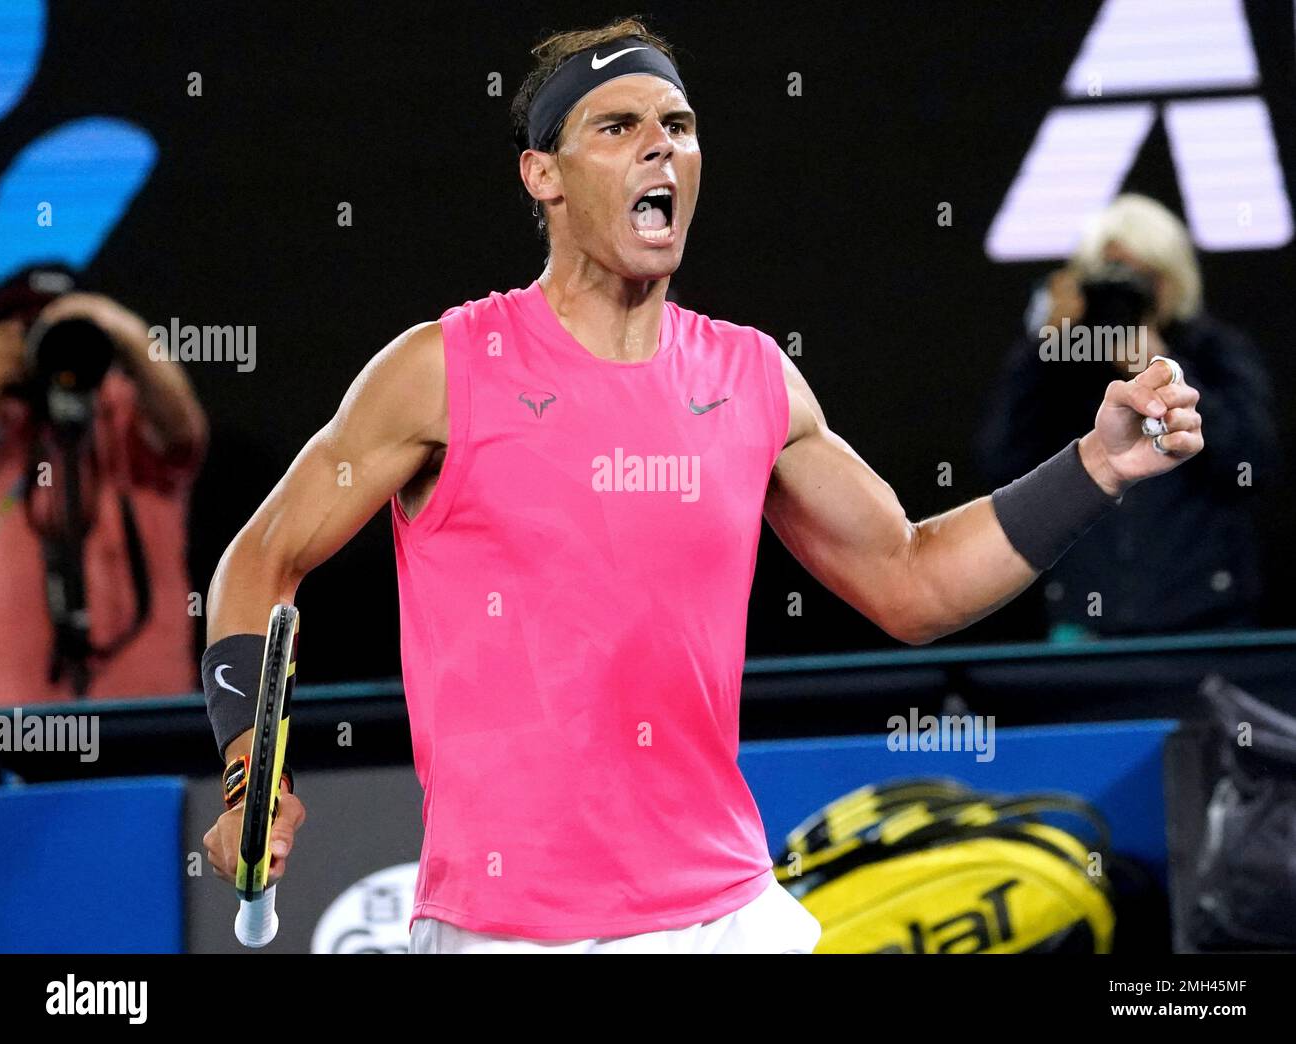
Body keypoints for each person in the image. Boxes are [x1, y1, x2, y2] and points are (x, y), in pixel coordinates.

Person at [200, 20, 1204, 954]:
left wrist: (1093, 467)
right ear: (540, 174)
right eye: (618, 125)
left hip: (726, 915)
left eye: (676, 125)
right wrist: (253, 765)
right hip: (507, 928)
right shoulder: (441, 371)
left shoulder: (754, 380)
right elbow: (264, 558)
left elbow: (913, 583)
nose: (659, 147)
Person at [976, 194, 1276, 639]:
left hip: (1207, 624)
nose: (1124, 292)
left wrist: (1164, 368)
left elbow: (1251, 468)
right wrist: (1046, 346)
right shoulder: (1061, 366)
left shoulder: (1214, 353)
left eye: (1141, 277)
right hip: (1084, 629)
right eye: (1110, 277)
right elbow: (1000, 469)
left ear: (1173, 279)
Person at [0, 265, 207, 702]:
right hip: (14, 724)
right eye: (25, 328)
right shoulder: (6, 428)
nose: (43, 343)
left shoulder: (128, 412)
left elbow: (184, 433)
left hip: (147, 714)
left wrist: (121, 330)